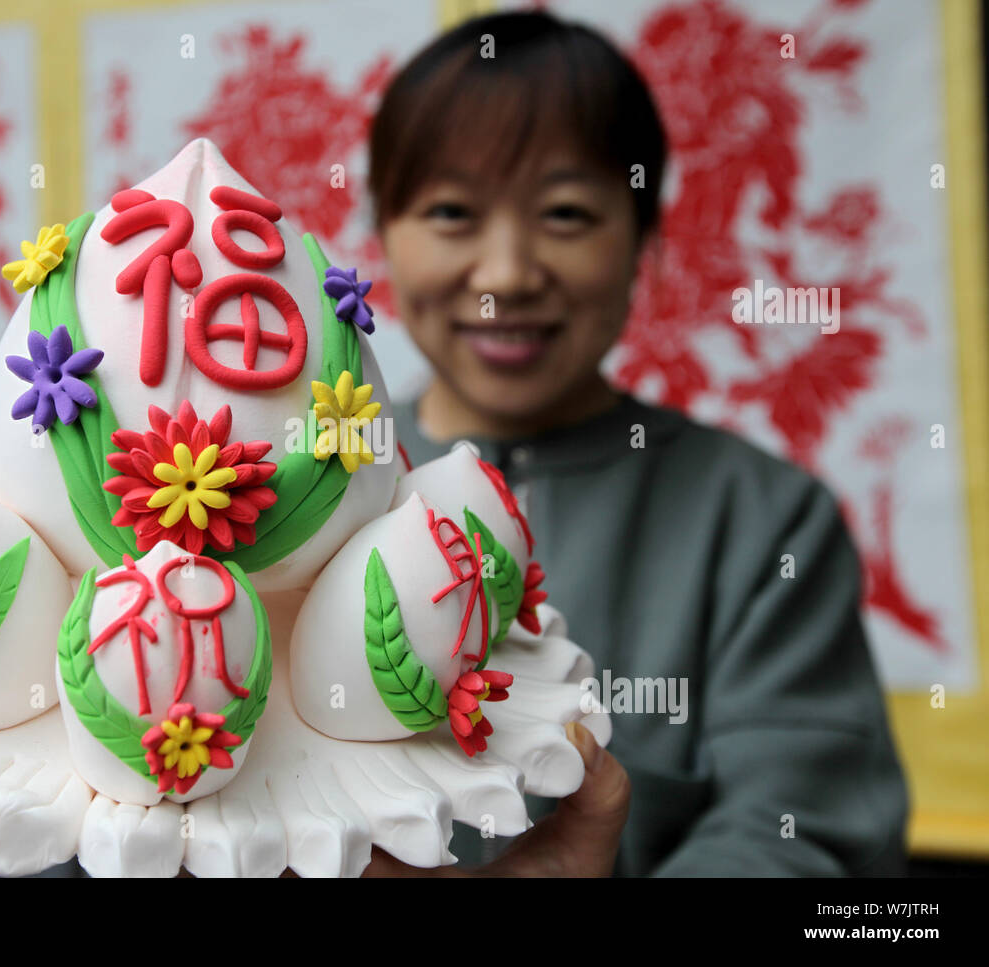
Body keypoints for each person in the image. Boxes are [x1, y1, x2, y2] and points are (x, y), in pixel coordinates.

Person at [362, 10, 908, 876]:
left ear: (645, 235)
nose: (506, 273)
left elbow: (809, 834)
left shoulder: (765, 520)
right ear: (381, 232)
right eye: (452, 211)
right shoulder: (300, 482)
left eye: (568, 213)